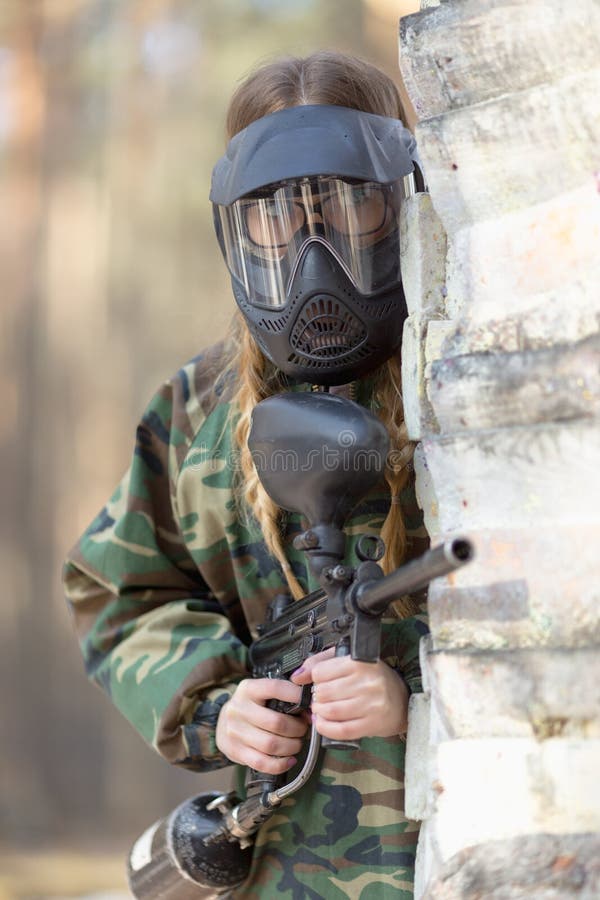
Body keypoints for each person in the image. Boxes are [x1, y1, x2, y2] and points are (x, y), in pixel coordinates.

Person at [63, 50, 430, 899]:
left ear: (399, 201)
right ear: (235, 227)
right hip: (280, 871)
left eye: (346, 206)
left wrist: (418, 705)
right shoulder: (195, 412)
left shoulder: (469, 392)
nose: (313, 250)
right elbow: (118, 594)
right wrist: (217, 704)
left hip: (471, 862)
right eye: (275, 217)